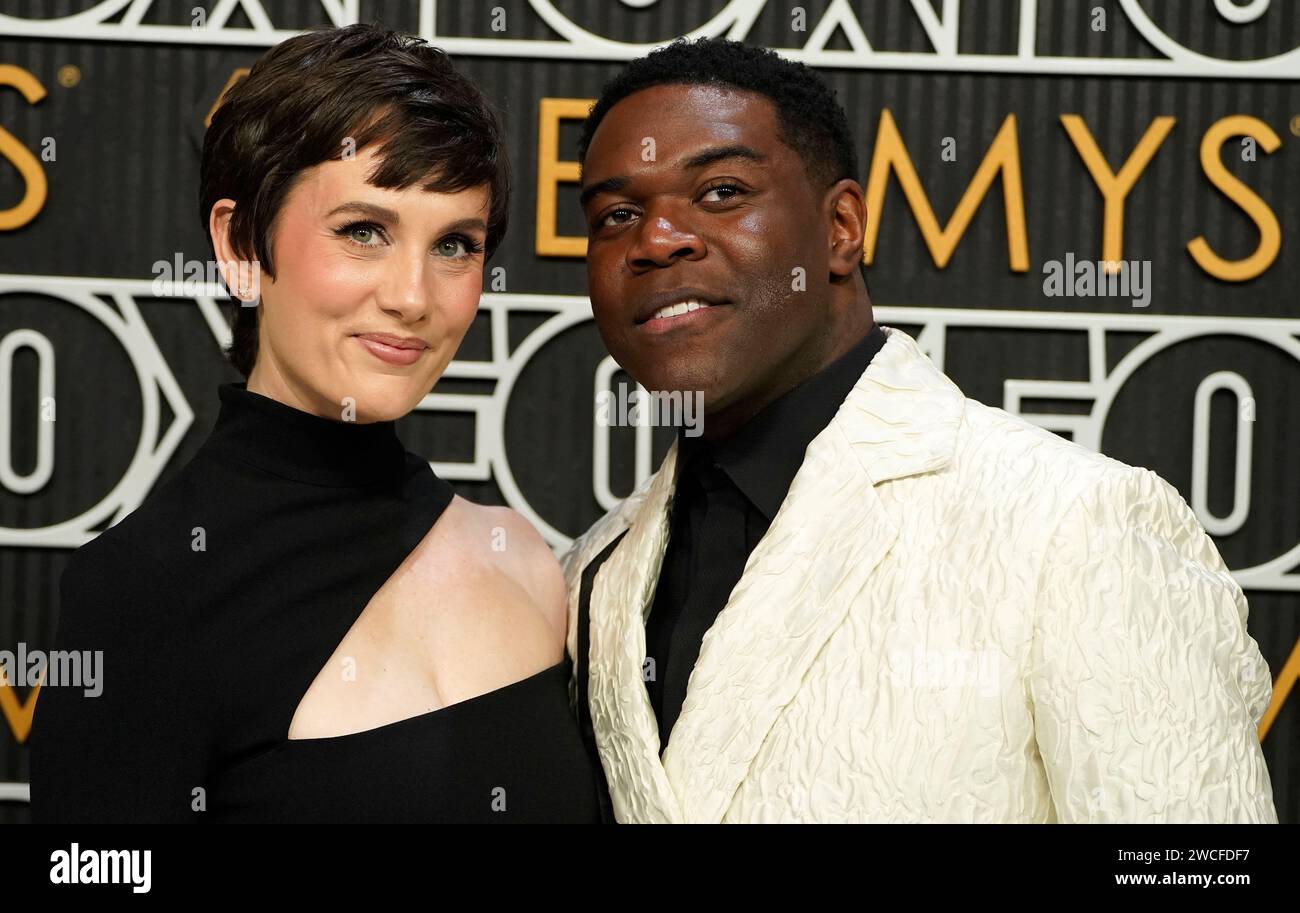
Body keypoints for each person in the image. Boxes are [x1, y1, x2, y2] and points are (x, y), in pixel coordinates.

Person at [562, 37, 1277, 823]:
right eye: (617, 214)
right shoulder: (591, 573)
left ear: (841, 227)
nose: (658, 239)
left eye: (723, 190)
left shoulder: (1073, 523)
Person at [30, 23, 604, 823]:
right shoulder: (143, 592)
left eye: (455, 245)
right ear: (238, 244)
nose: (413, 296)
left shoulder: (524, 562)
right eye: (363, 231)